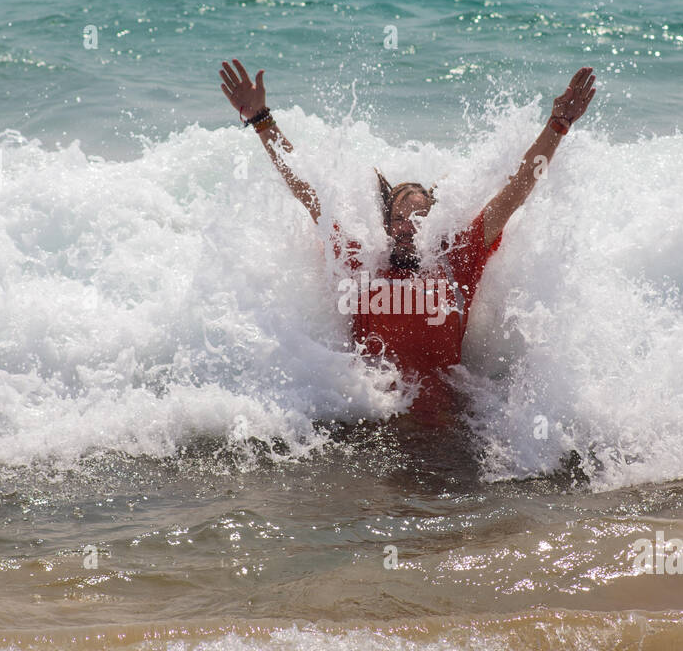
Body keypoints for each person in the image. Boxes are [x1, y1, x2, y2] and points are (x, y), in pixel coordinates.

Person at [218, 58, 596, 420]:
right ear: (385, 223)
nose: (408, 229)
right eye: (400, 218)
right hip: (372, 419)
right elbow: (307, 191)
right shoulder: (360, 262)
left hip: (444, 424)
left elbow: (515, 192)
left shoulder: (456, 261)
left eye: (419, 220)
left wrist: (558, 125)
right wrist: (261, 120)